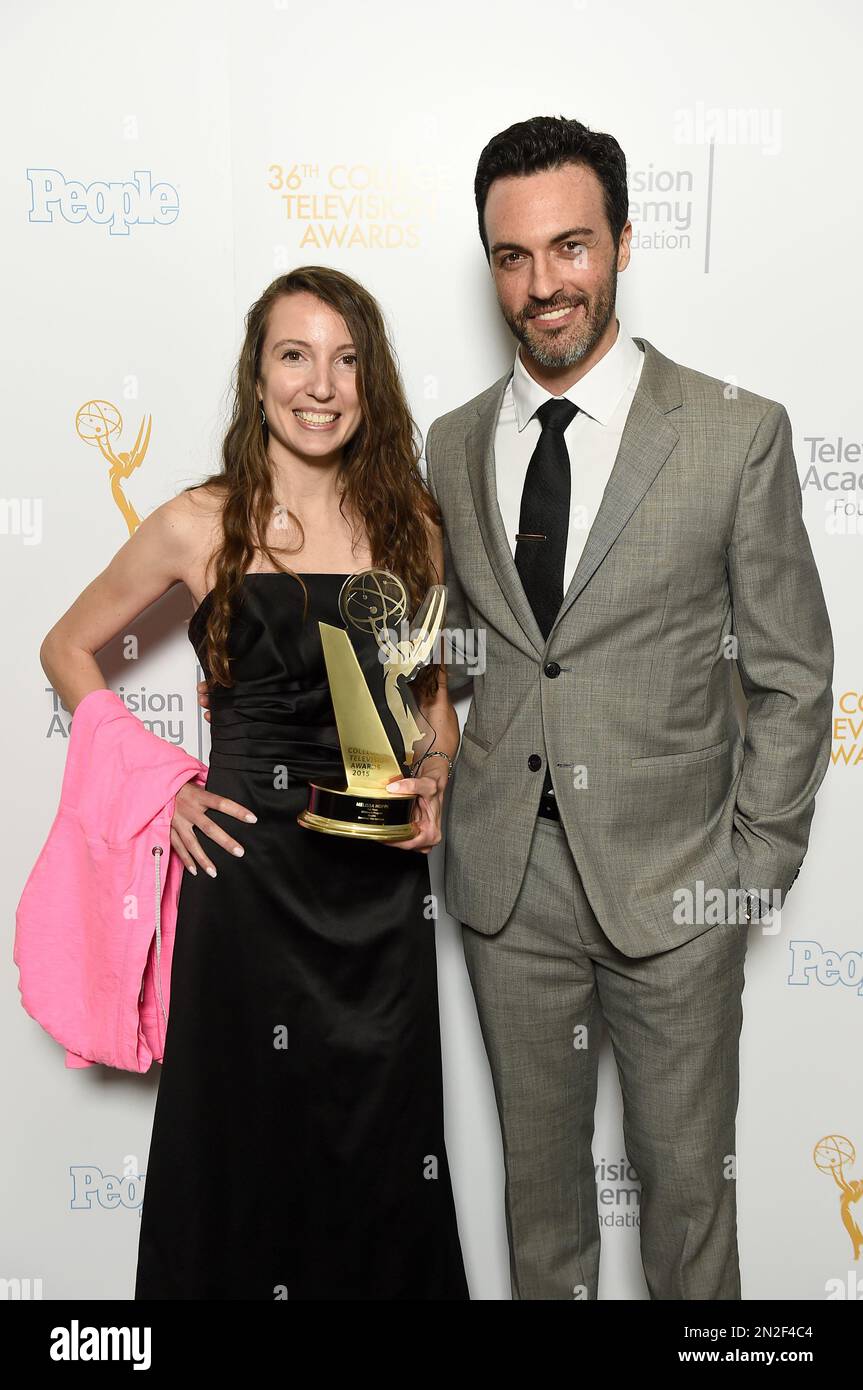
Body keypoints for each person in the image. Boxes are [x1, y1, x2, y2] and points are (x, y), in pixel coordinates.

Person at [418, 116, 833, 1299]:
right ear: (488, 263)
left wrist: (747, 869)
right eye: (511, 256)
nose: (542, 284)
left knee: (689, 1209)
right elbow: (459, 652)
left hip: (677, 887)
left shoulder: (729, 432)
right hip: (508, 893)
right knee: (538, 1218)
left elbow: (793, 670)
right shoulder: (449, 447)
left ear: (622, 244)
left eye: (569, 247)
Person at [39, 266, 468, 1300]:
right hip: (247, 884)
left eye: (344, 357)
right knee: (242, 1145)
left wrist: (439, 777)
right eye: (294, 354)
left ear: (368, 379)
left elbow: (433, 698)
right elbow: (66, 648)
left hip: (376, 897)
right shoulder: (201, 521)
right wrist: (160, 785)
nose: (319, 384)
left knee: (382, 1147)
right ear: (257, 374)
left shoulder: (412, 520)